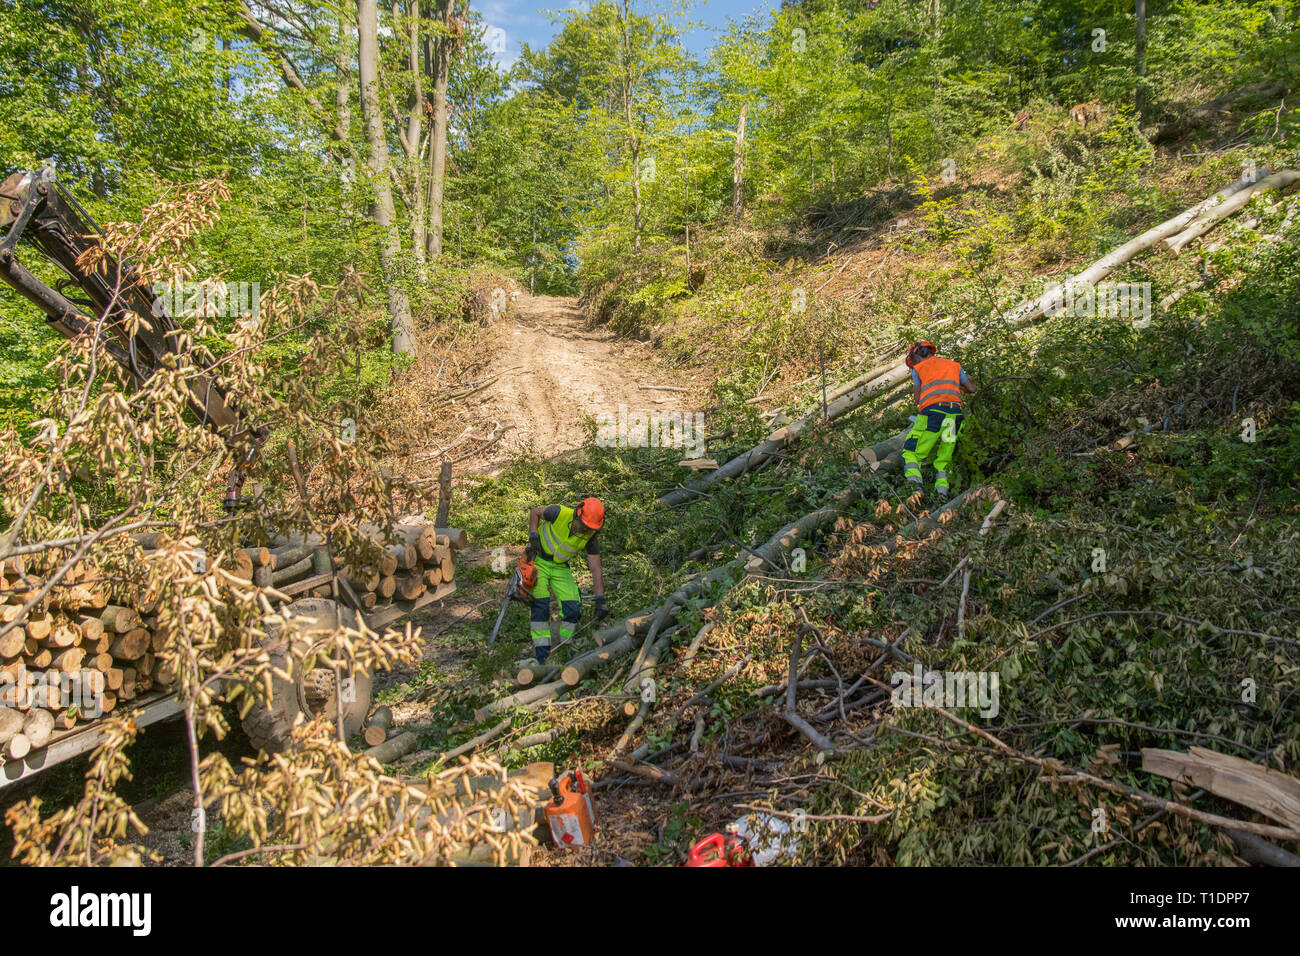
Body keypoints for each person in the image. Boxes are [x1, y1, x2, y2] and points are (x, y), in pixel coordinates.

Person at [525, 497, 608, 663]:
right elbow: (535, 512)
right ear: (577, 515)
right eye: (583, 525)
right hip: (539, 560)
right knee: (540, 606)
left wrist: (600, 599)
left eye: (589, 527)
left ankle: (564, 646)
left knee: (573, 609)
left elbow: (596, 567)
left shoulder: (591, 536)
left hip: (560, 566)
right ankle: (542, 656)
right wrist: (533, 534)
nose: (585, 529)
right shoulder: (558, 512)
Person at [903, 341, 976, 498]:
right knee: (944, 458)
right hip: (955, 415)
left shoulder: (919, 369)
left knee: (910, 452)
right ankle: (941, 496)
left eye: (914, 359)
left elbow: (917, 398)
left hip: (933, 413)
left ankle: (916, 492)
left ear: (920, 352)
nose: (915, 363)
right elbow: (971, 388)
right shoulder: (954, 365)